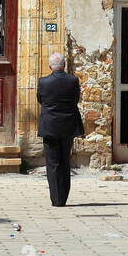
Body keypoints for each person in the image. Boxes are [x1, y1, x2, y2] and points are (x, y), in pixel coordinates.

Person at [36, 52, 84, 207]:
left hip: (50, 126)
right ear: (64, 65)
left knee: (53, 163)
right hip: (68, 126)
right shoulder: (73, 81)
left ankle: (56, 199)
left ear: (50, 66)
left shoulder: (43, 82)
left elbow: (40, 100)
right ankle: (64, 197)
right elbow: (76, 99)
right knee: (65, 161)